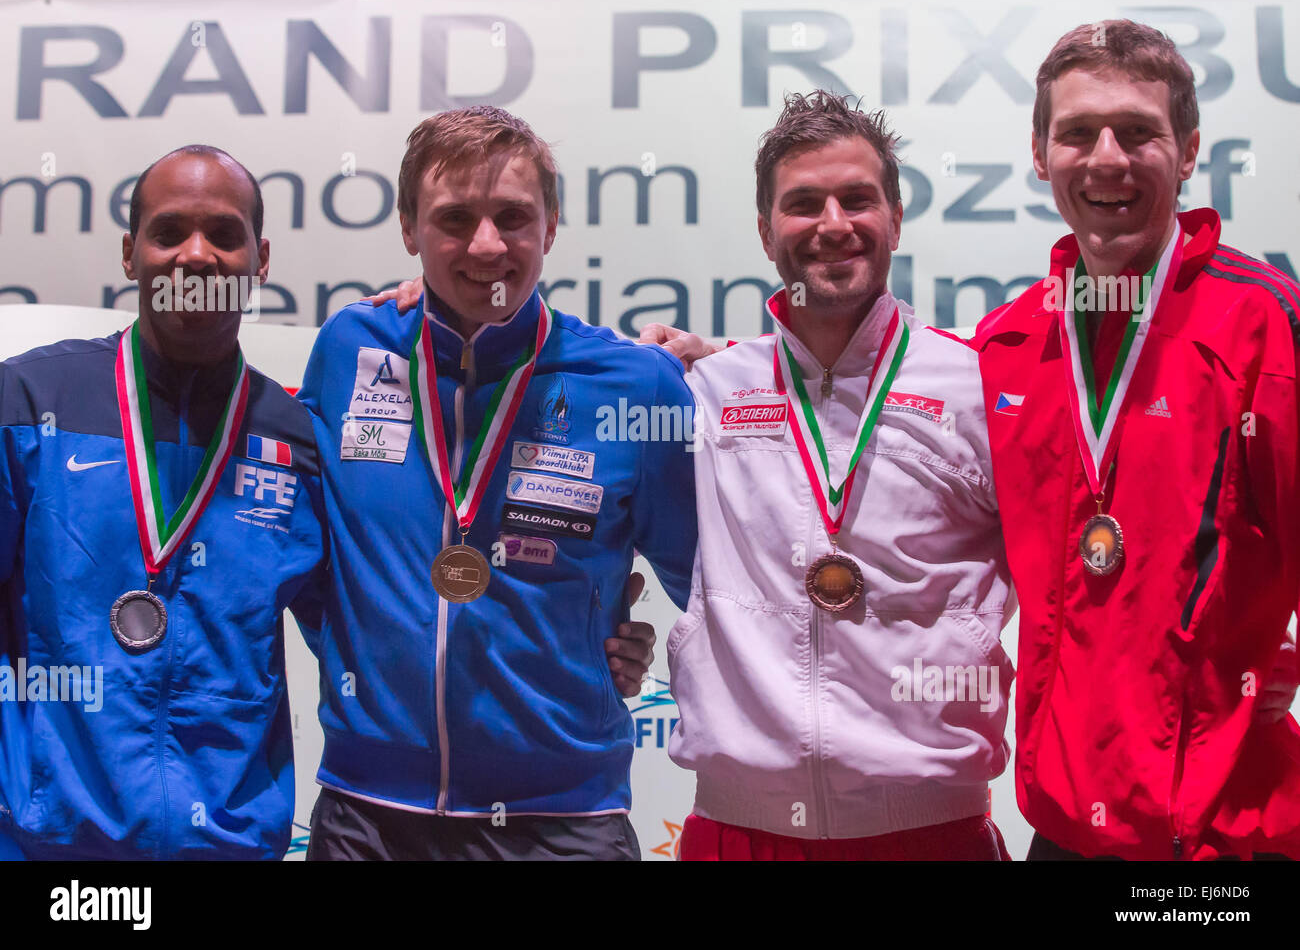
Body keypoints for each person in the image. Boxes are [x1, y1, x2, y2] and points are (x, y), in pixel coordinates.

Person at [296, 106, 695, 860]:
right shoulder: (351, 349)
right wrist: (372, 656)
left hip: (563, 819)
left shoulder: (635, 385)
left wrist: (599, 648)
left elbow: (717, 582)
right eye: (454, 219)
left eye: (513, 216)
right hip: (368, 814)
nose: (486, 245)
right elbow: (313, 560)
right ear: (410, 230)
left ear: (552, 227)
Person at [657, 91, 1013, 860]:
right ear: (764, 231)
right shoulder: (706, 389)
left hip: (931, 829)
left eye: (858, 199)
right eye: (802, 204)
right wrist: (414, 311)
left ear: (895, 218)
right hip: (737, 829)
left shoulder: (977, 387)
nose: (832, 224)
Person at [974, 19, 1300, 860]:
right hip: (1062, 827)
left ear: (1188, 151)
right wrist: (730, 363)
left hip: (1226, 836)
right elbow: (881, 412)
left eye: (1138, 132)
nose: (1107, 158)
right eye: (1077, 133)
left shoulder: (1265, 324)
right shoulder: (1007, 343)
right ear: (1041, 156)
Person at [0, 145, 327, 859]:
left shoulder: (297, 440)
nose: (197, 255)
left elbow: (387, 630)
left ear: (260, 258)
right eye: (170, 231)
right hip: (51, 855)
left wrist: (591, 643)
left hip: (233, 847)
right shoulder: (29, 404)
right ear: (130, 254)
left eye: (225, 234)